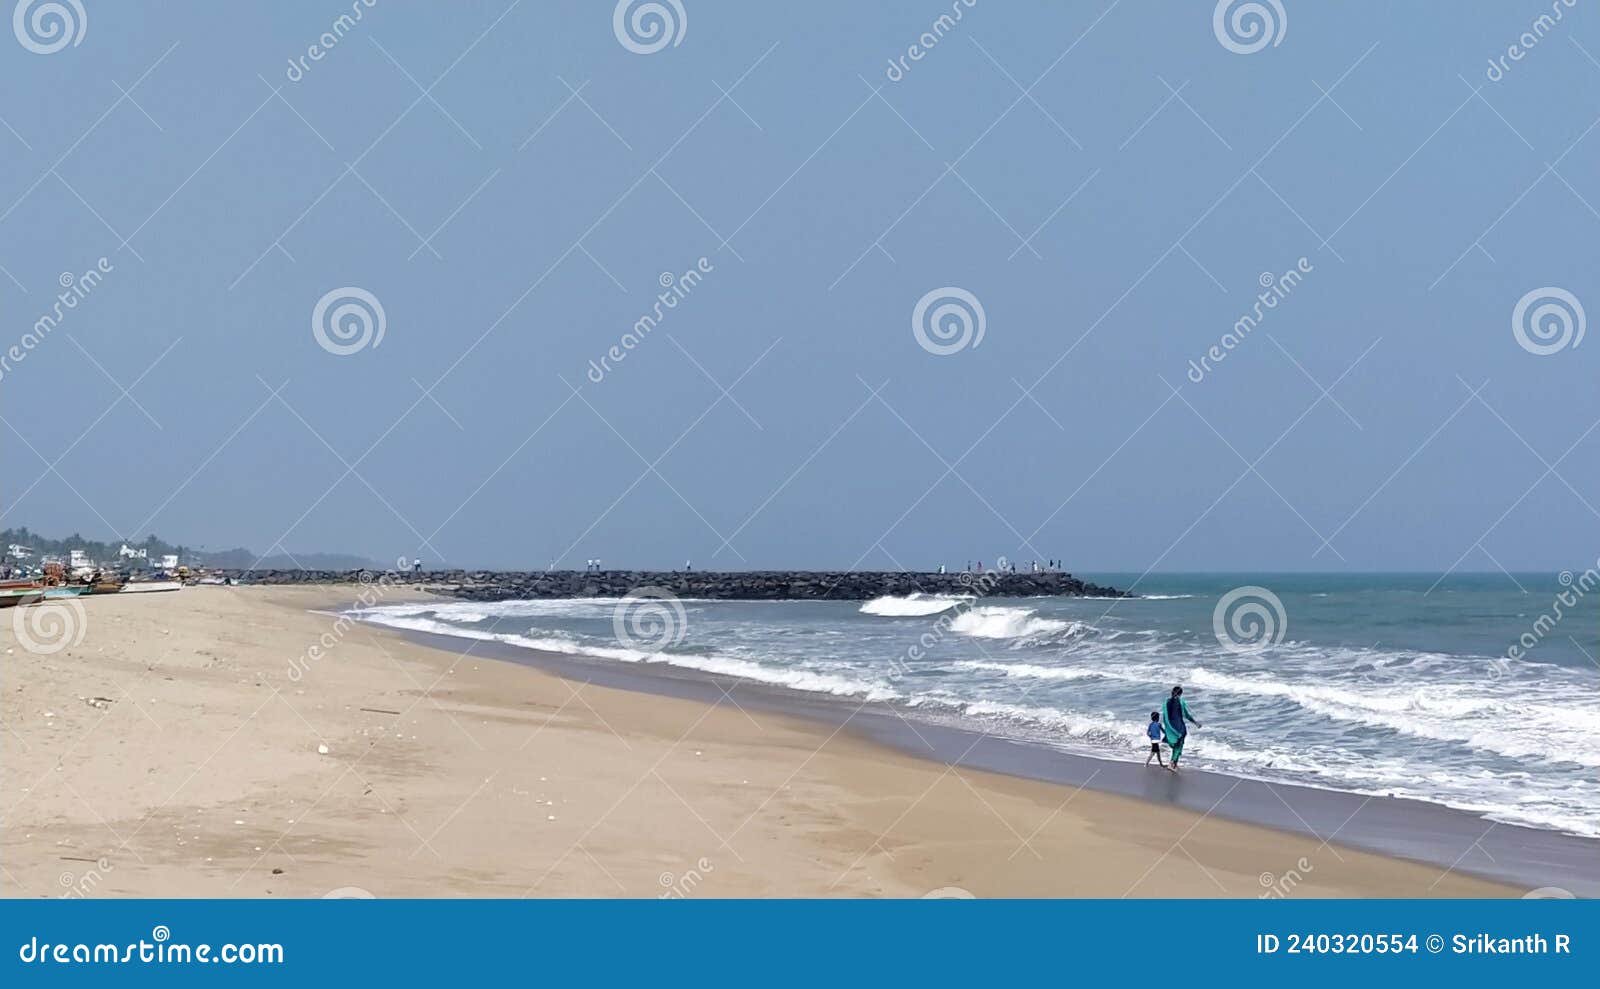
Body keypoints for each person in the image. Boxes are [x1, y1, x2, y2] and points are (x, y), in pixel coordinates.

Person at [1160, 685, 1201, 770]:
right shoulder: (1181, 702)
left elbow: (1165, 718)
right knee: (1179, 746)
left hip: (1171, 728)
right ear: (1180, 694)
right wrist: (1195, 722)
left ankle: (1174, 763)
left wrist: (1167, 729)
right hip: (1180, 728)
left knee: (1176, 746)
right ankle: (1172, 763)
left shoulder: (1166, 702)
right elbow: (1186, 715)